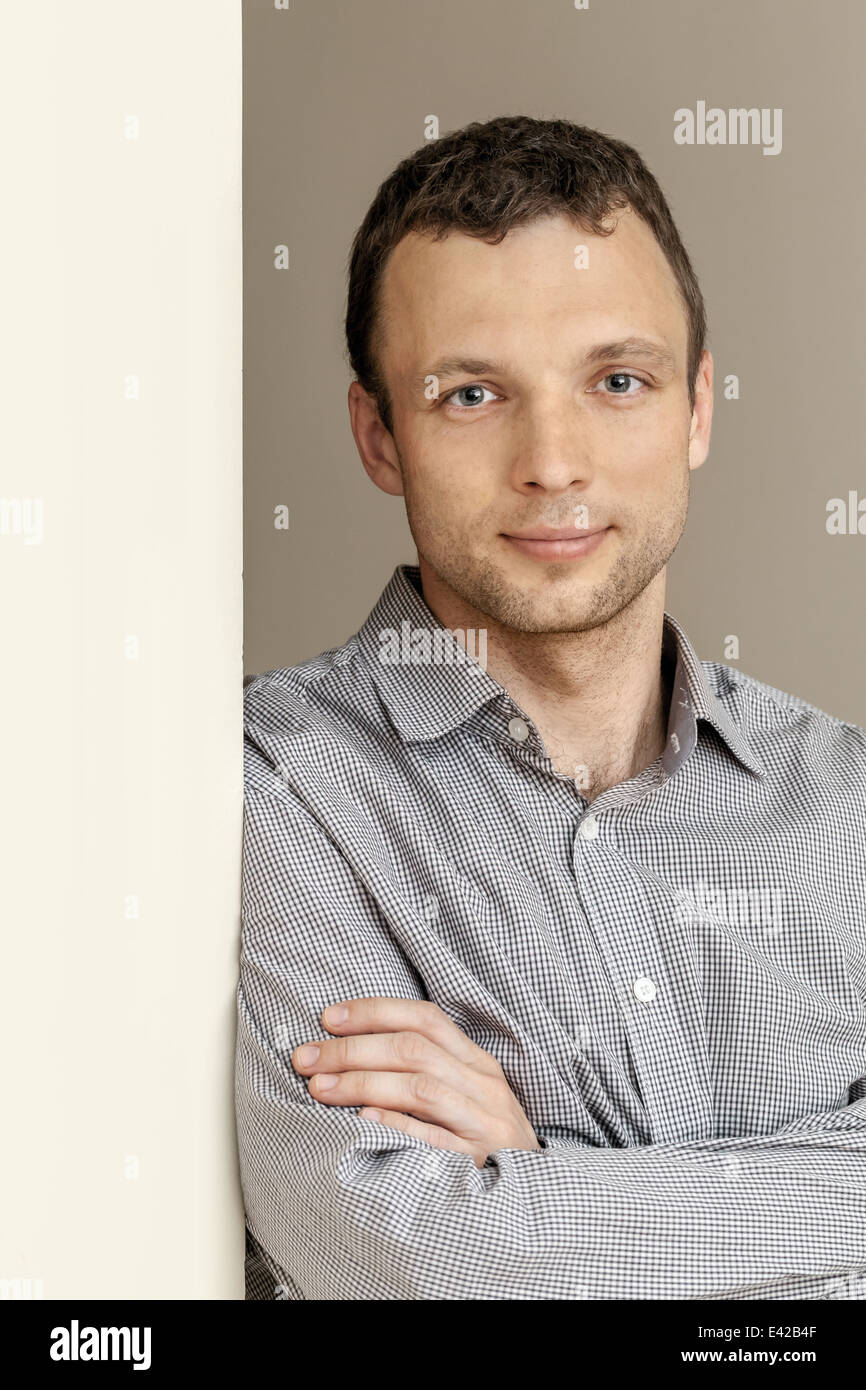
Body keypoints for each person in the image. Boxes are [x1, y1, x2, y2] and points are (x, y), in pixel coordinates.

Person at [236, 115, 866, 1300]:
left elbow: (490, 1253)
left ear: (695, 408)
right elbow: (412, 1262)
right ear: (380, 434)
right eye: (471, 394)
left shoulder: (848, 801)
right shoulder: (273, 787)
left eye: (615, 381)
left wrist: (538, 1181)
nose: (554, 461)